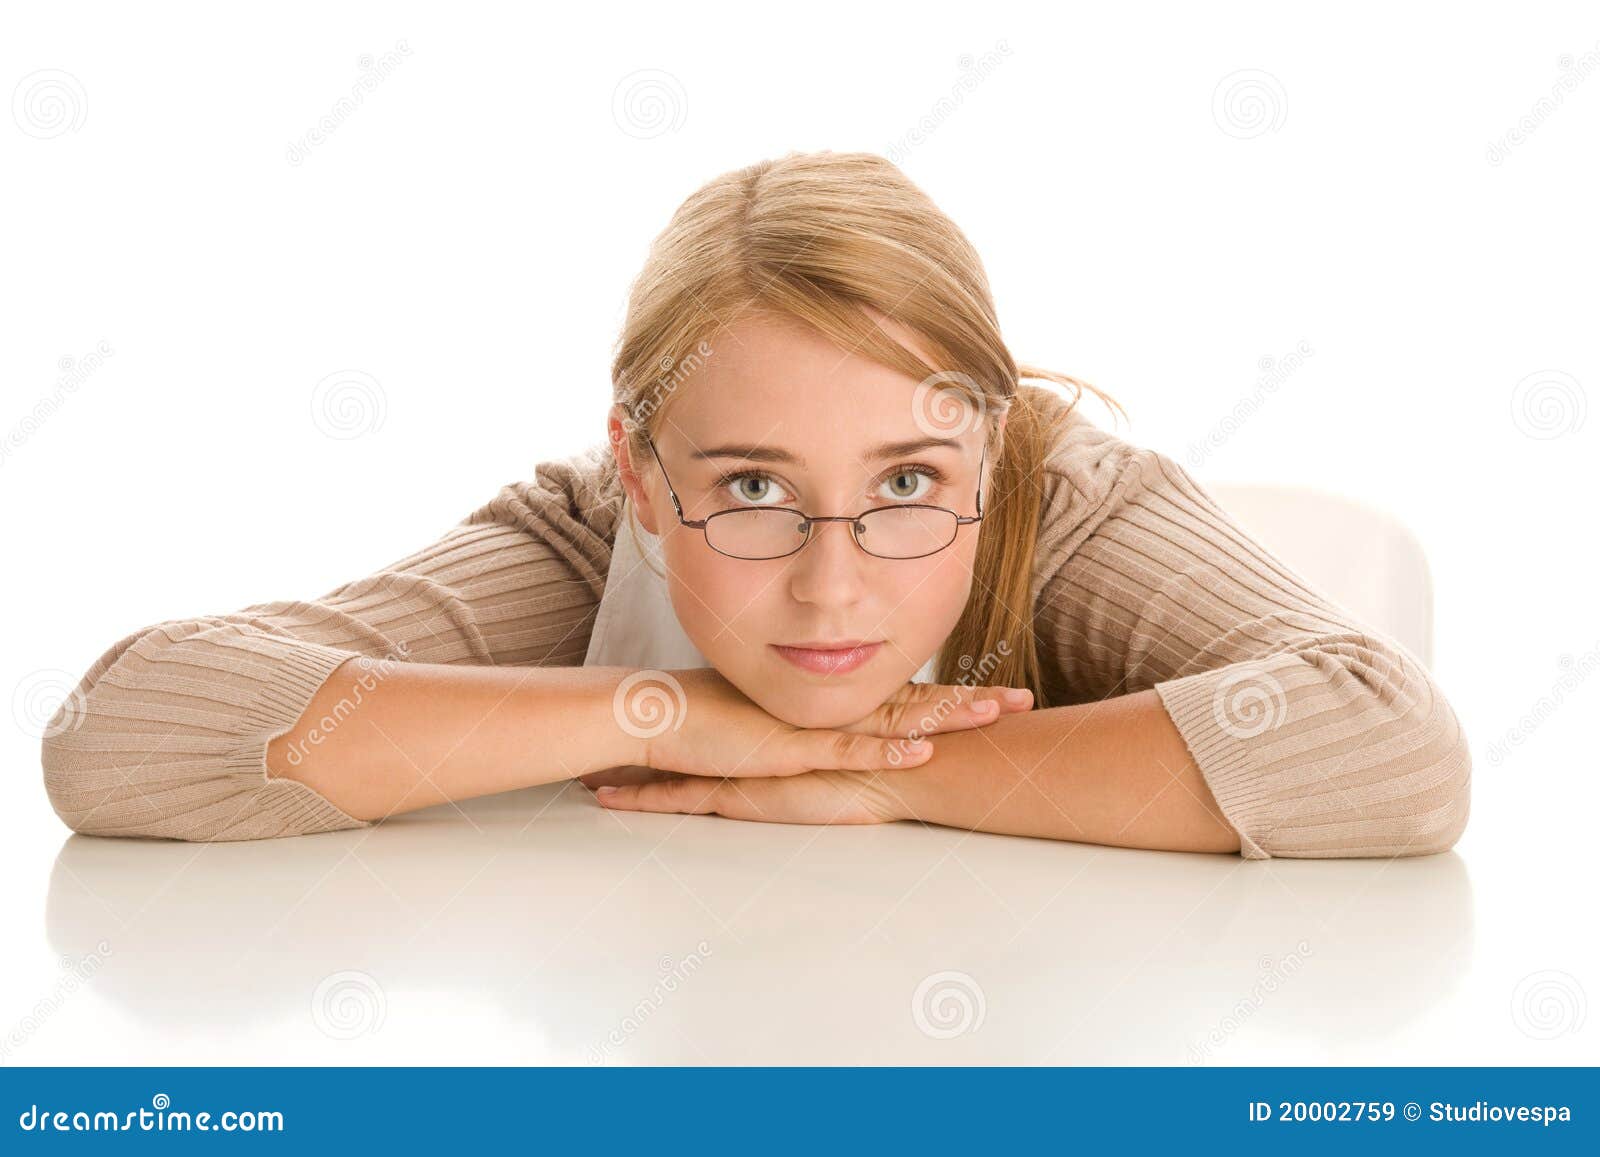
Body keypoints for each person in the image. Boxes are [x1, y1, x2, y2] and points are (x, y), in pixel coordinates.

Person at [39, 150, 1470, 859]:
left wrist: (874, 773)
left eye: (907, 484)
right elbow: (125, 735)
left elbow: (1393, 751)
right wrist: (671, 714)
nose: (833, 586)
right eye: (751, 492)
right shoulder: (592, 531)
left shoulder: (1075, 504)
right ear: (647, 477)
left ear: (988, 442)